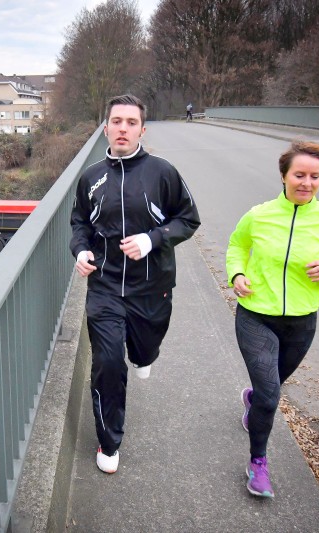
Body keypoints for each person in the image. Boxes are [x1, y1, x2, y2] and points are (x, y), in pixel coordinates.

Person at [70, 94, 201, 474]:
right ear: (106, 127)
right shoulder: (91, 177)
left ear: (142, 129)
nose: (123, 128)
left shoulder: (163, 172)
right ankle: (109, 442)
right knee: (108, 363)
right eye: (116, 121)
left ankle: (144, 355)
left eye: (131, 122)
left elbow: (188, 220)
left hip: (151, 285)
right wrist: (79, 251)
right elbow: (79, 224)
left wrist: (152, 239)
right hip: (105, 287)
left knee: (144, 349)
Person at [226, 140, 319, 498]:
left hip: (301, 322)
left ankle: (254, 401)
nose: (306, 182)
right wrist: (236, 275)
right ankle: (258, 464)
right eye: (299, 174)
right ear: (284, 176)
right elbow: (237, 246)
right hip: (256, 315)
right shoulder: (259, 214)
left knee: (269, 389)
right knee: (271, 394)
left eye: (315, 176)